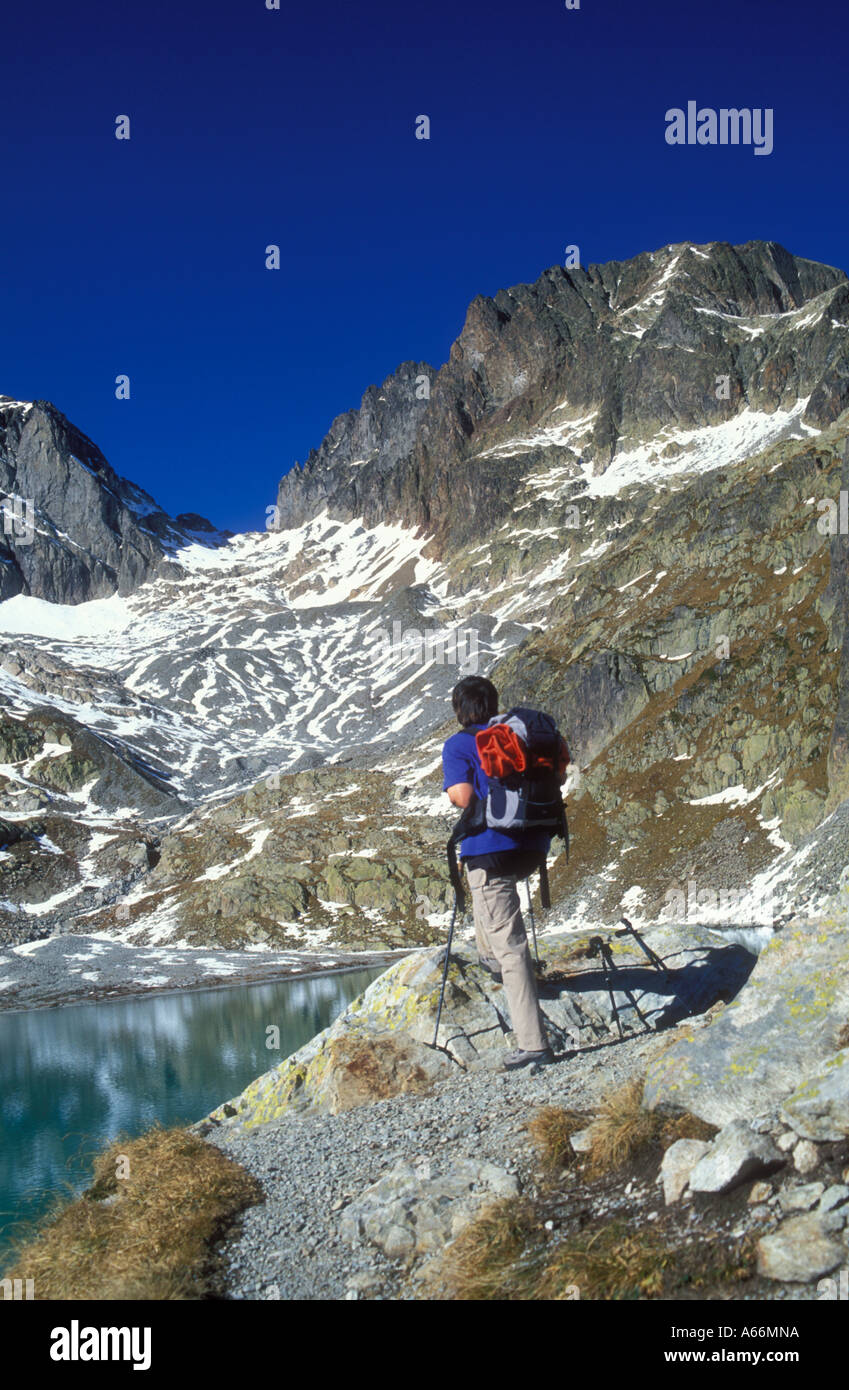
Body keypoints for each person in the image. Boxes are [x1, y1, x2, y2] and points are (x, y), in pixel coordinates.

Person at [441, 674, 557, 1071]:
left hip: (490, 852)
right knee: (488, 907)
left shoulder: (459, 743)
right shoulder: (517, 735)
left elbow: (462, 797)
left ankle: (534, 1044)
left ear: (460, 708)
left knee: (512, 948)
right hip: (532, 846)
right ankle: (490, 960)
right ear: (492, 704)